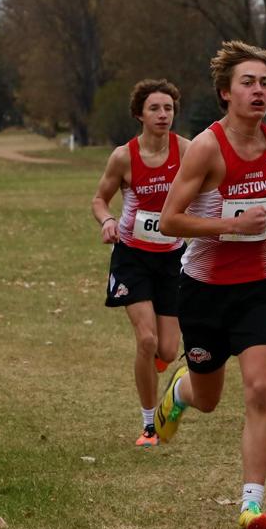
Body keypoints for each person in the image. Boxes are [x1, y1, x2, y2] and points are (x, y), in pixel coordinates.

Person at [155, 41, 266, 529]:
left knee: (259, 389)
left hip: (261, 285)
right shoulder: (206, 147)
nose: (259, 90)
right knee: (208, 398)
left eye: (265, 83)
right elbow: (170, 219)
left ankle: (252, 504)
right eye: (248, 82)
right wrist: (231, 225)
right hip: (203, 289)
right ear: (226, 92)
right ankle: (180, 390)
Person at [91, 79, 190, 447]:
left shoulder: (188, 151)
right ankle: (150, 425)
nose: (163, 115)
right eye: (155, 108)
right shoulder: (123, 157)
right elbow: (99, 199)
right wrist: (108, 221)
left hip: (172, 259)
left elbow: (210, 188)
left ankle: (166, 378)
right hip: (132, 257)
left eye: (168, 108)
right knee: (146, 341)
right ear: (139, 114)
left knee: (167, 350)